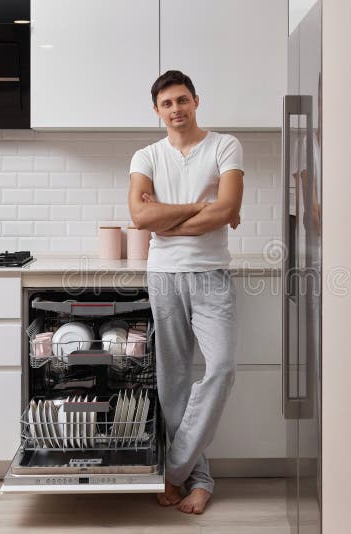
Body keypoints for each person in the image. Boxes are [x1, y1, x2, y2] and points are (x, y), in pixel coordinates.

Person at [128, 70, 244, 515]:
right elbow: (140, 216)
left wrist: (167, 217)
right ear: (157, 111)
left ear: (196, 101)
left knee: (222, 368)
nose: (176, 109)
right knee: (173, 382)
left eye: (182, 100)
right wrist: (201, 206)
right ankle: (201, 480)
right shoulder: (146, 156)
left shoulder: (225, 145)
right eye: (166, 104)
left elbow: (228, 209)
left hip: (211, 274)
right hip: (164, 276)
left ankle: (172, 471)